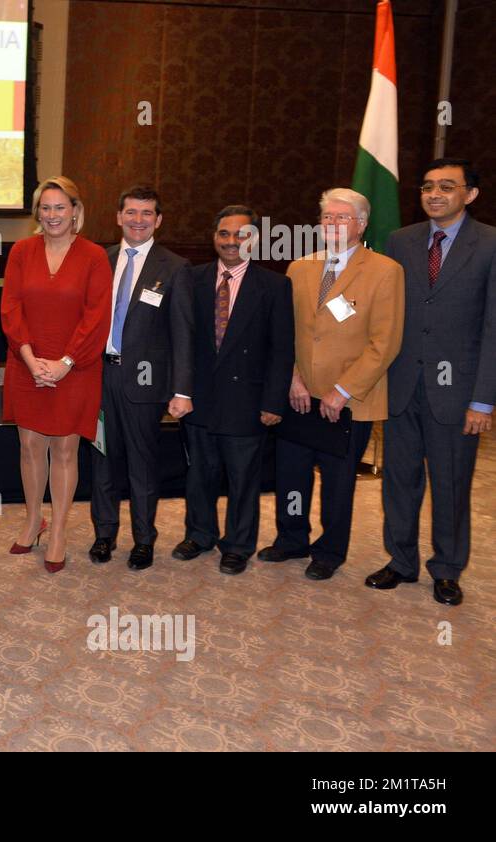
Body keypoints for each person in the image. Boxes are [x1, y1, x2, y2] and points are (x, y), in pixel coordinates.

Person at [371, 158, 496, 606]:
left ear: (471, 194)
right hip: (403, 385)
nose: (434, 194)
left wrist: (483, 401)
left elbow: (492, 327)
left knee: (451, 484)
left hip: (457, 391)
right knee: (398, 480)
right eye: (427, 187)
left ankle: (447, 569)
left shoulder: (490, 244)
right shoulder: (399, 240)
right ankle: (400, 562)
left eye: (447, 186)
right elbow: (385, 312)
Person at [263, 188, 403, 580]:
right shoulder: (301, 267)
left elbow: (385, 342)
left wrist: (341, 391)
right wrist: (292, 378)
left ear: (361, 224)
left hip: (350, 400)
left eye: (343, 218)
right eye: (327, 217)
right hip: (300, 394)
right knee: (291, 475)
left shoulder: (385, 271)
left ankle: (330, 550)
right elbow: (285, 331)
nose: (333, 224)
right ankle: (291, 538)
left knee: (338, 482)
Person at [169, 205, 294, 575]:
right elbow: (181, 340)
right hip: (200, 398)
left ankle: (238, 544)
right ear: (214, 238)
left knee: (243, 479)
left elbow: (282, 349)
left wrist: (274, 401)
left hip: (248, 400)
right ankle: (199, 534)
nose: (231, 241)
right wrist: (180, 390)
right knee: (199, 474)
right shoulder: (191, 279)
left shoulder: (275, 285)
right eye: (224, 234)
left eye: (241, 234)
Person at [1, 176, 111, 572]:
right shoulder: (21, 252)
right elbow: (11, 309)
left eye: (60, 207)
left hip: (75, 369)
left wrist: (65, 364)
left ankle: (60, 529)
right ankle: (34, 521)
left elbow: (97, 317)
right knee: (29, 446)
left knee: (64, 450)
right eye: (45, 207)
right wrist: (32, 361)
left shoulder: (94, 256)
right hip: (26, 364)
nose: (52, 215)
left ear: (76, 211)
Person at [88, 185, 188, 570]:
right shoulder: (101, 260)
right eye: (131, 212)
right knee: (102, 462)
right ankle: (104, 535)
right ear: (118, 216)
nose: (138, 220)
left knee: (142, 466)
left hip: (146, 384)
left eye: (147, 214)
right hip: (99, 379)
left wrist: (181, 390)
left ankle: (143, 541)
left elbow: (182, 334)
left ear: (158, 220)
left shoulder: (174, 268)